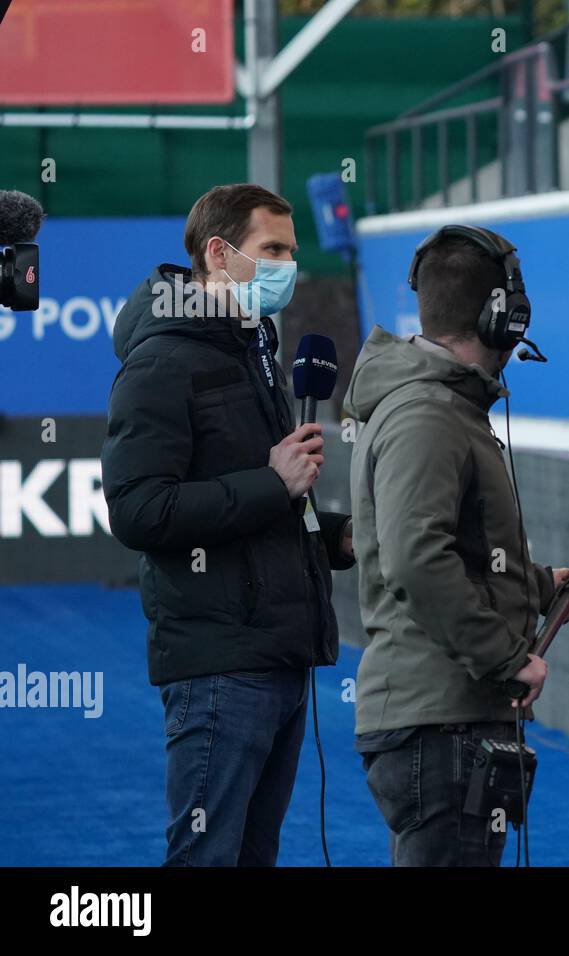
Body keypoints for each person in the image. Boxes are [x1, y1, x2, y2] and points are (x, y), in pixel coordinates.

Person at [102, 183, 354, 866]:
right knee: (207, 858)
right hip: (218, 667)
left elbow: (269, 509)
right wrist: (272, 482)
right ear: (219, 252)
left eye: (292, 252)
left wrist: (338, 537)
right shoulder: (160, 361)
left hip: (281, 656)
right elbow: (136, 510)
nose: (288, 266)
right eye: (273, 249)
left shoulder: (256, 347)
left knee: (251, 857)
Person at [344, 224, 569, 867]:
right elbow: (415, 559)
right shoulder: (427, 415)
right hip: (440, 723)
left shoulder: (442, 409)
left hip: (445, 719)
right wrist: (507, 658)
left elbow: (463, 553)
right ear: (499, 315)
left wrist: (539, 587)